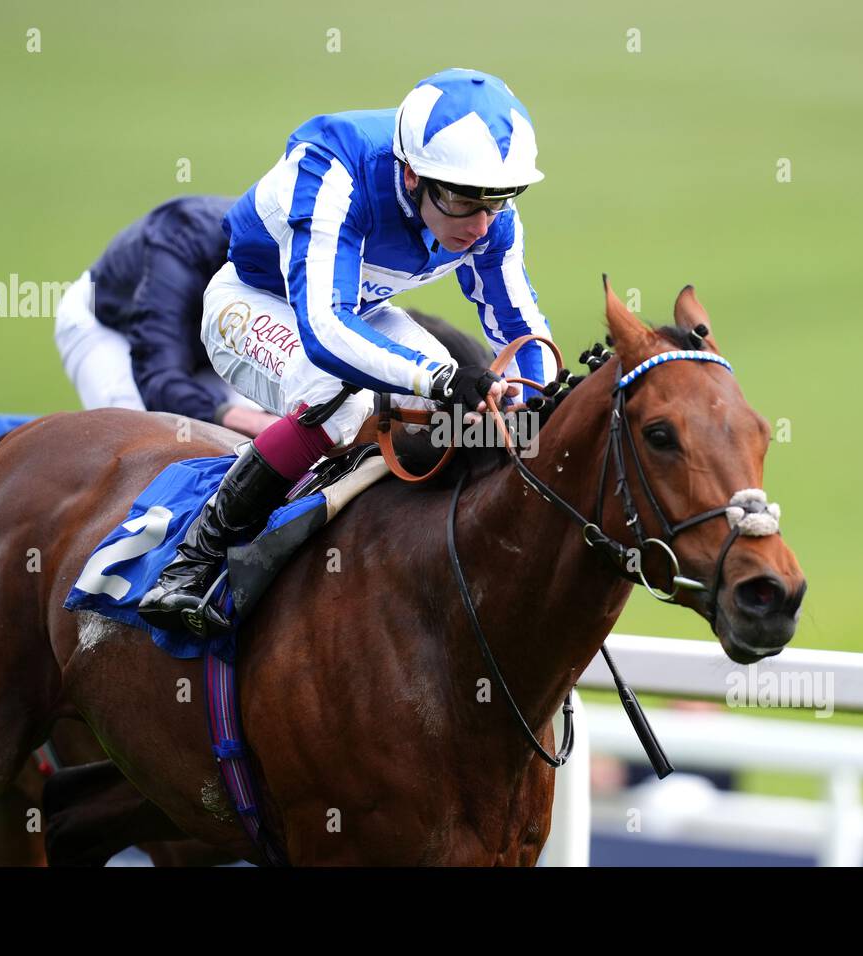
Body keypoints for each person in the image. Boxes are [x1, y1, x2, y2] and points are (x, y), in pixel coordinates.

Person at [139, 67, 557, 635]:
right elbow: (325, 332)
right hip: (254, 302)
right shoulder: (335, 168)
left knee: (461, 415)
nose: (482, 226)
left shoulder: (484, 205)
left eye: (500, 202)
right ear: (412, 176)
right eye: (465, 203)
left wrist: (544, 400)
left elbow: (520, 324)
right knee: (336, 399)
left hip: (359, 309)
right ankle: (193, 561)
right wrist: (440, 377)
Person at [53, 195, 279, 437]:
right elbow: (158, 377)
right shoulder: (180, 245)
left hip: (206, 341)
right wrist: (240, 418)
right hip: (110, 329)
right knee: (145, 437)